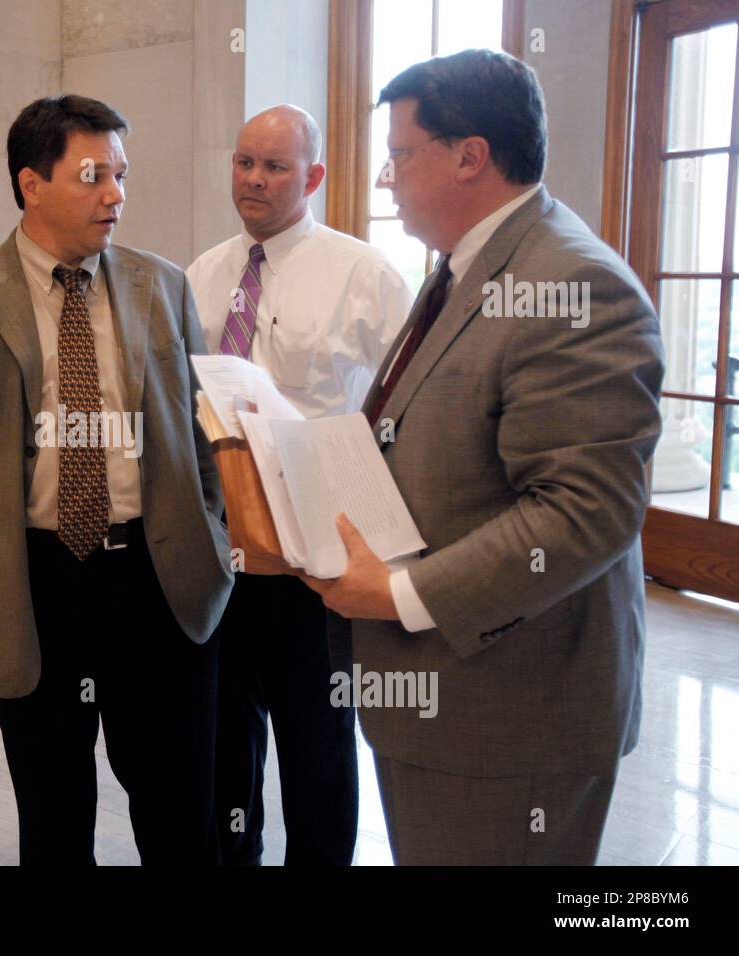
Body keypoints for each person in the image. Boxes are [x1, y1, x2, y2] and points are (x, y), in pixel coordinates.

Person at [298, 49, 665, 864]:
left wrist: (400, 592)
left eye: (400, 155)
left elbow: (584, 513)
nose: (387, 179)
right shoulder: (467, 269)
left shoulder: (573, 287)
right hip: (444, 696)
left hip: (511, 714)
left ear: (471, 156)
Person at [0, 95, 234, 864]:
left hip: (159, 582)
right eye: (94, 176)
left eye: (121, 175)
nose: (116, 194)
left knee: (179, 807)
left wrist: (214, 535)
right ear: (31, 183)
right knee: (53, 816)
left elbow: (198, 430)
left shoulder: (163, 286)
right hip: (33, 585)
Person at [186, 104, 410, 865]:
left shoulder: (363, 273)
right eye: (244, 161)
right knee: (226, 729)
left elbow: (408, 401)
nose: (253, 179)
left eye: (275, 166)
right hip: (223, 542)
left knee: (316, 736)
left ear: (312, 176)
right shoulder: (204, 273)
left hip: (317, 550)